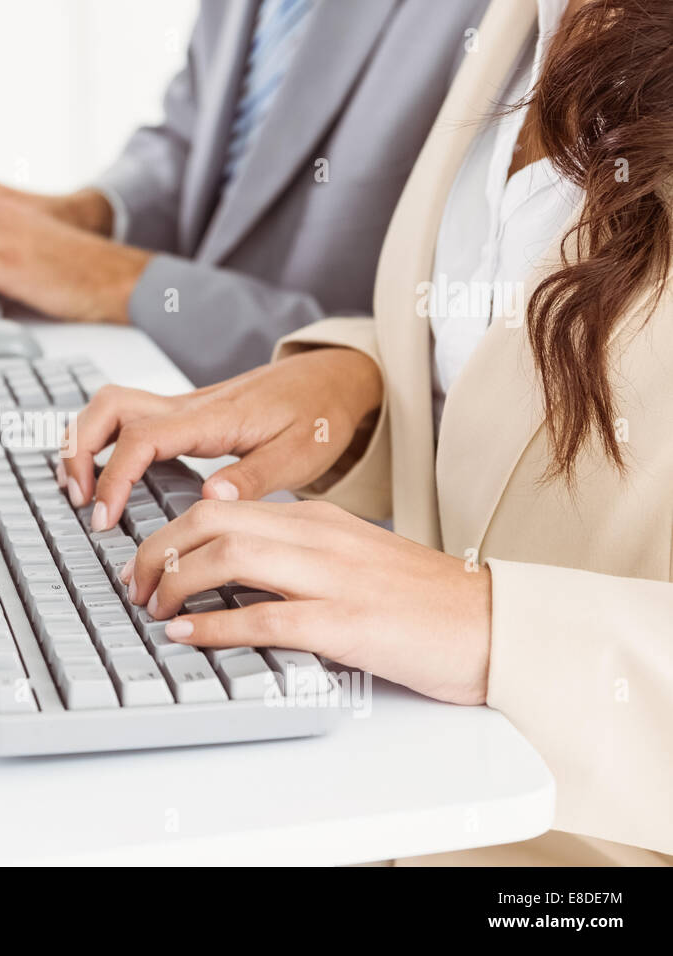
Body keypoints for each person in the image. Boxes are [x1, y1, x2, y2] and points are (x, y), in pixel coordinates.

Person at [58, 0, 673, 865]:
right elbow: (520, 357)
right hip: (404, 796)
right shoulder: (518, 20)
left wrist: (488, 624)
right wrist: (353, 388)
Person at [0, 0, 490, 385]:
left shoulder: (510, 18)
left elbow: (442, 356)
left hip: (341, 504)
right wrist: (88, 215)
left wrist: (119, 281)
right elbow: (191, 137)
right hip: (172, 404)